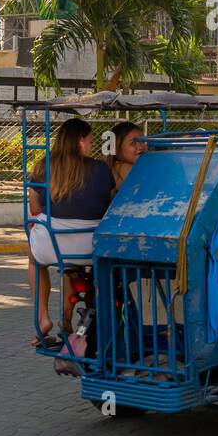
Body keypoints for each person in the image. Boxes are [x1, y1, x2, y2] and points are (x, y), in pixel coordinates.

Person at [27, 118, 114, 342]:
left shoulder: (43, 166)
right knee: (72, 264)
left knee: (35, 261)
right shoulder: (100, 168)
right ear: (80, 141)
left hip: (52, 243)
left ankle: (41, 318)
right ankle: (66, 319)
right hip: (90, 245)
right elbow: (108, 203)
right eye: (90, 140)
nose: (91, 145)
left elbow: (35, 209)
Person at [103, 121, 147, 191]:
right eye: (133, 143)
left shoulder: (110, 169)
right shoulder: (126, 169)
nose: (140, 147)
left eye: (142, 141)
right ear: (116, 148)